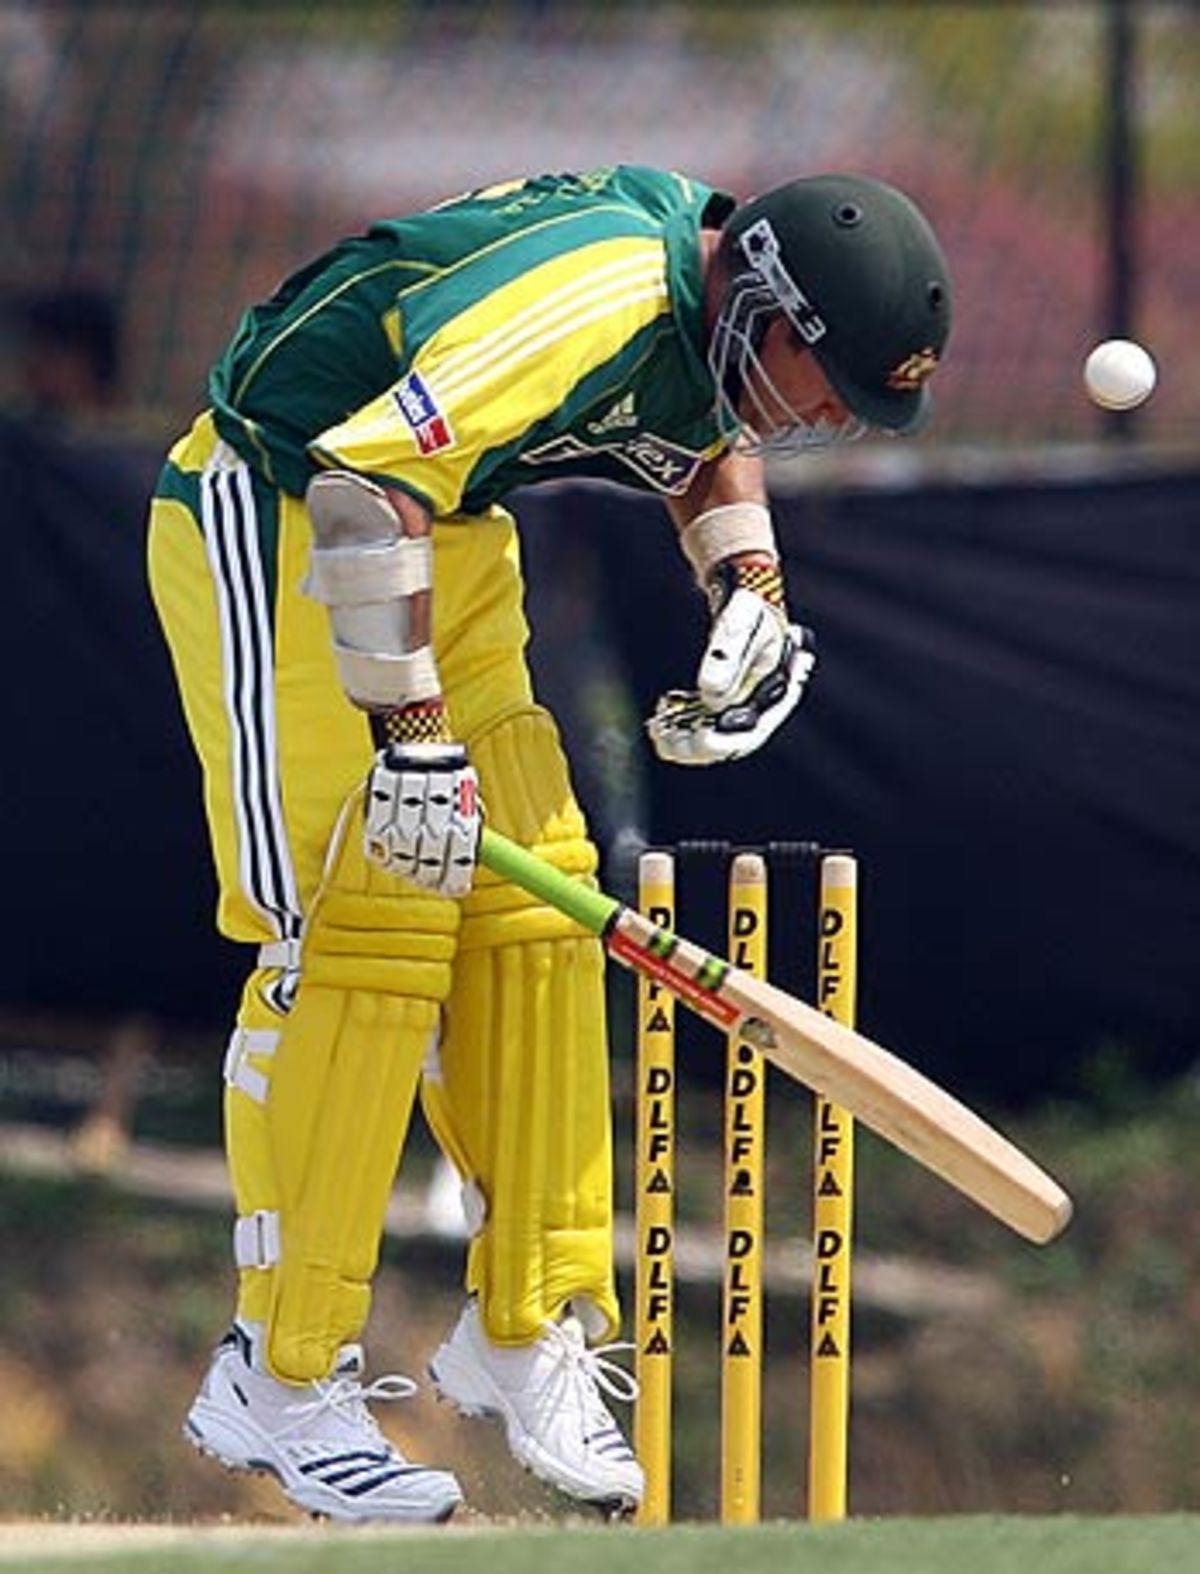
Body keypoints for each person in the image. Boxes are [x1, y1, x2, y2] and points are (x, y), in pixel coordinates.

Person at [147, 164, 951, 1523]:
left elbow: (698, 431)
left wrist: (746, 577)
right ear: (765, 303)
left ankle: (525, 1326)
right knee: (352, 934)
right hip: (287, 514)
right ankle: (276, 1373)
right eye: (821, 385)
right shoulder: (587, 300)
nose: (821, 418)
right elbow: (356, 482)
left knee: (539, 919)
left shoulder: (712, 301)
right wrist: (407, 729)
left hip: (445, 535)